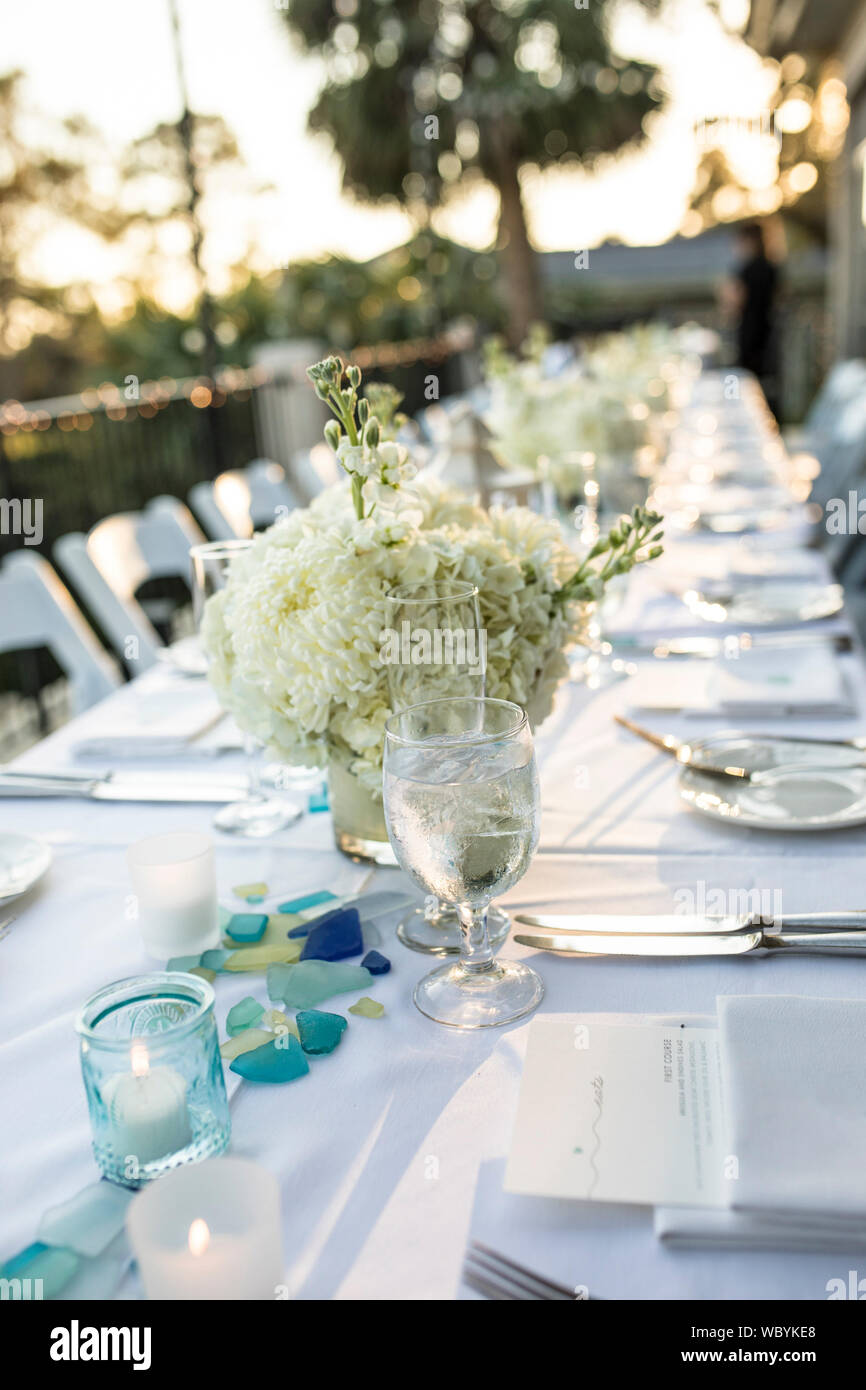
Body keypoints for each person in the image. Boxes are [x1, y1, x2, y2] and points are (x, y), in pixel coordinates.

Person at [724, 222, 780, 416]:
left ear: (749, 241)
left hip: (747, 337)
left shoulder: (745, 271)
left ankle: (734, 416)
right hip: (768, 337)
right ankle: (769, 423)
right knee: (764, 390)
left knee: (735, 383)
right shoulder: (773, 268)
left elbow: (732, 306)